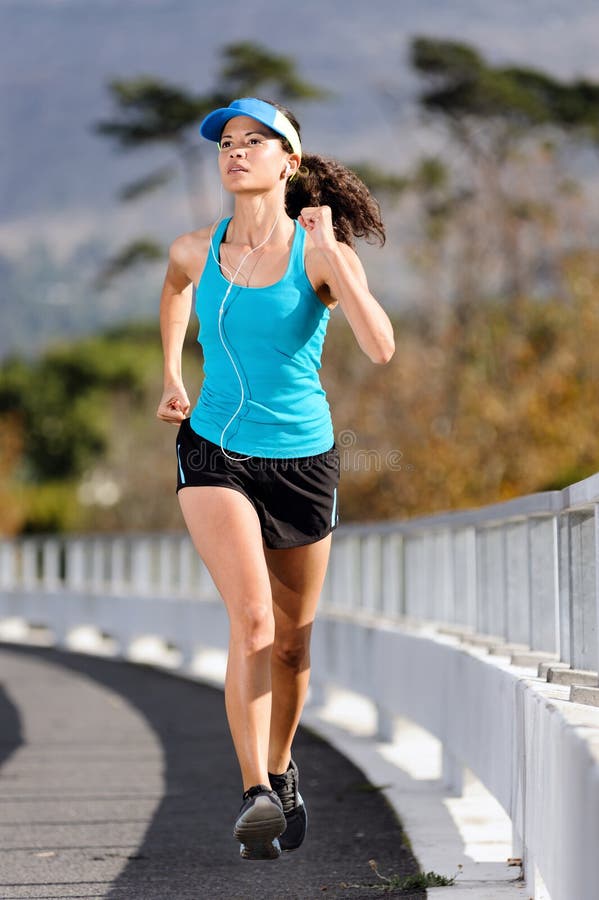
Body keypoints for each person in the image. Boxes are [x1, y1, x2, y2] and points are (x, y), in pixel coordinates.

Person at [156, 97, 394, 860]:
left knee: (292, 645)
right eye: (227, 142)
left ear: (288, 162)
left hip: (300, 461)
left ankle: (281, 768)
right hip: (214, 450)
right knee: (253, 621)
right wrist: (170, 373)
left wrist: (338, 261)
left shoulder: (318, 256)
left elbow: (379, 346)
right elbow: (172, 289)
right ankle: (254, 791)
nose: (236, 152)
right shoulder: (197, 248)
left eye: (255, 141)